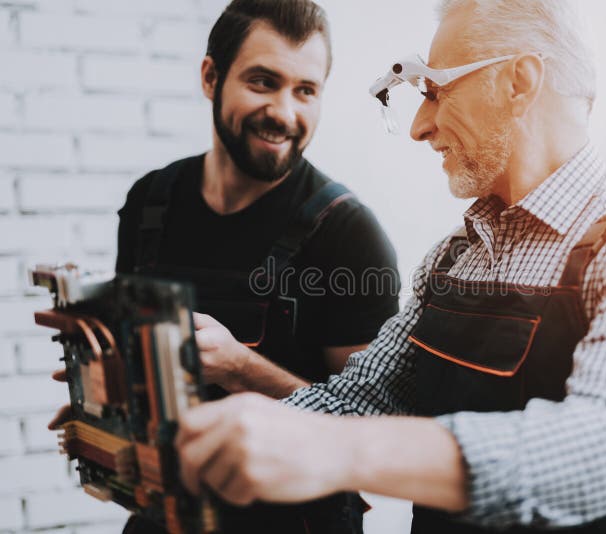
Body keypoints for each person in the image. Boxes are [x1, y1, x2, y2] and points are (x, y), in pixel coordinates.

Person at [174, 1, 606, 533]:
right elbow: (357, 403)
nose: (420, 126)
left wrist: (338, 450)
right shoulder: (455, 256)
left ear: (519, 82)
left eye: (435, 92)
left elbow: (605, 453)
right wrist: (212, 428)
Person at [51, 0, 399, 533]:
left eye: (305, 90)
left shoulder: (348, 234)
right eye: (263, 82)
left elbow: (374, 430)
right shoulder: (150, 203)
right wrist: (99, 404)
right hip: (164, 515)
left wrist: (240, 368)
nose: (285, 111)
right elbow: (142, 383)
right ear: (211, 76)